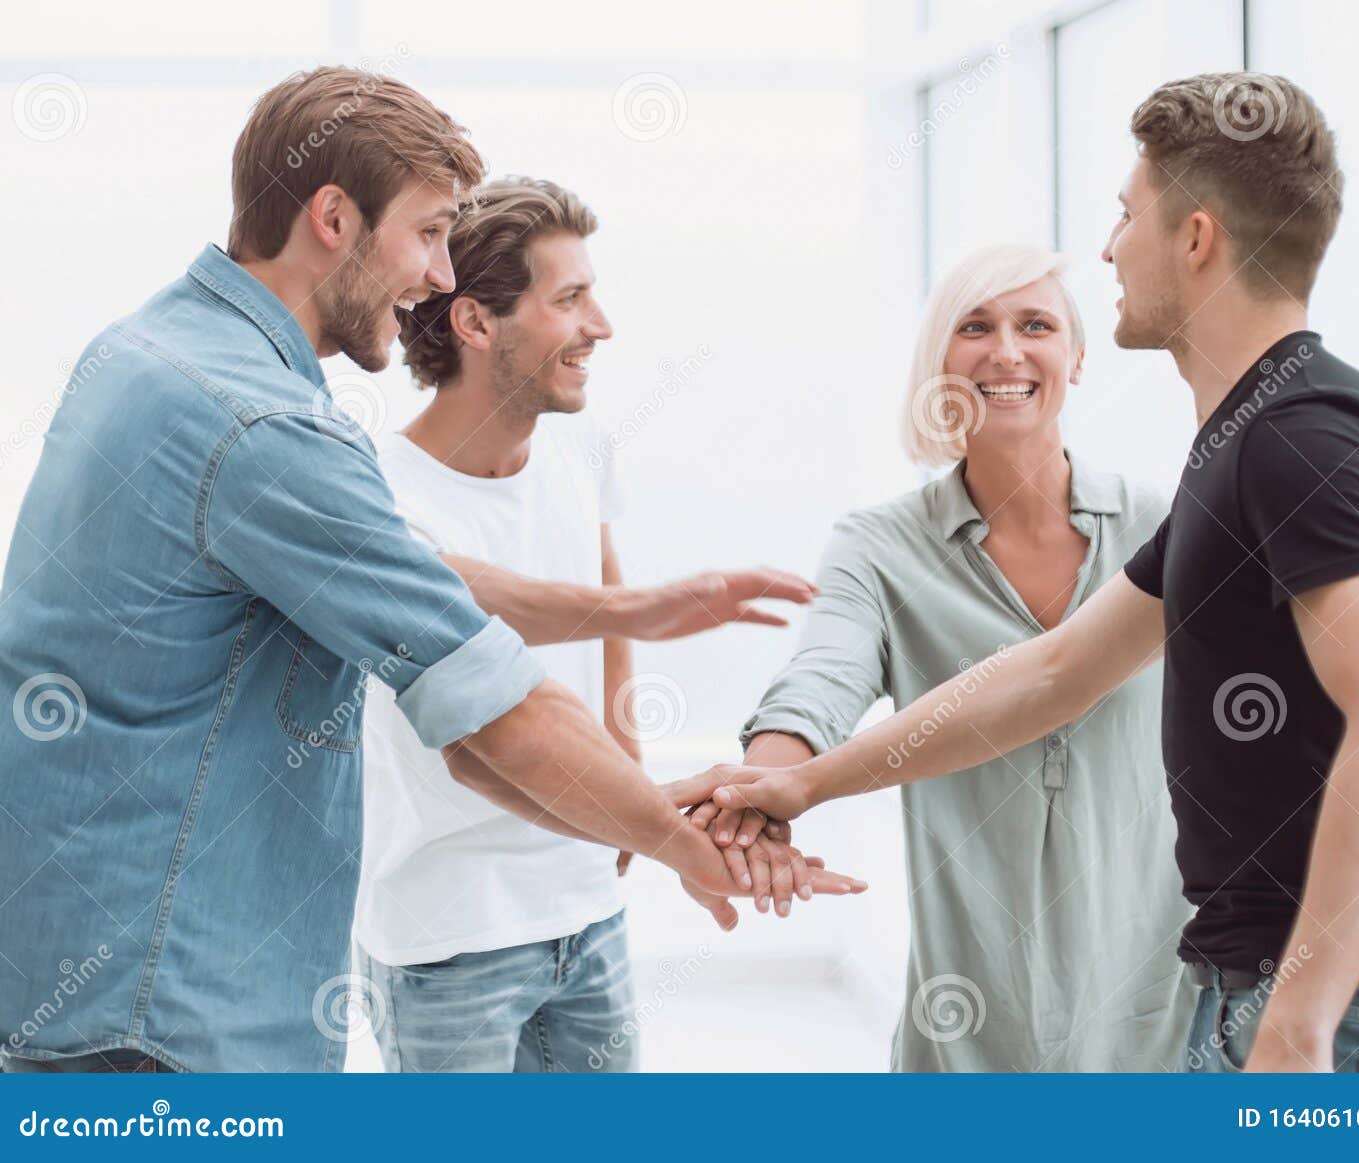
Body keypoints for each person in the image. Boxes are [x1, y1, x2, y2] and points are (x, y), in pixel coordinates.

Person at [0, 68, 850, 1074]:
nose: (441, 277)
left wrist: (635, 614)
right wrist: (684, 837)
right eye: (427, 232)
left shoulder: (148, 353)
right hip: (164, 1016)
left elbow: (396, 580)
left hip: (88, 976)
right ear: (332, 218)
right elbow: (496, 712)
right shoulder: (266, 428)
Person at [680, 72, 1359, 1074]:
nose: (1109, 248)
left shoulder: (1297, 438)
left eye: (1126, 215)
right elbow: (1054, 675)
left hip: (1324, 1013)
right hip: (1248, 993)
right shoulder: (1237, 451)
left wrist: (1298, 1023)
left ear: (1196, 238)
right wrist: (799, 785)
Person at [353, 177, 860, 1074]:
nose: (602, 325)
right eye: (570, 299)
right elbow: (482, 737)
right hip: (450, 931)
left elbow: (605, 628)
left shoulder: (581, 447)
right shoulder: (384, 497)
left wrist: (627, 800)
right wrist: (655, 829)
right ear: (474, 323)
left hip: (586, 909)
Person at [690, 244, 1193, 1070]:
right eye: (975, 326)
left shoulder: (1166, 527)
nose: (1006, 351)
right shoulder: (880, 547)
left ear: (1076, 355)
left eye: (1036, 324)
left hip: (1154, 1030)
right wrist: (755, 795)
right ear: (939, 361)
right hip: (964, 1038)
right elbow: (818, 683)